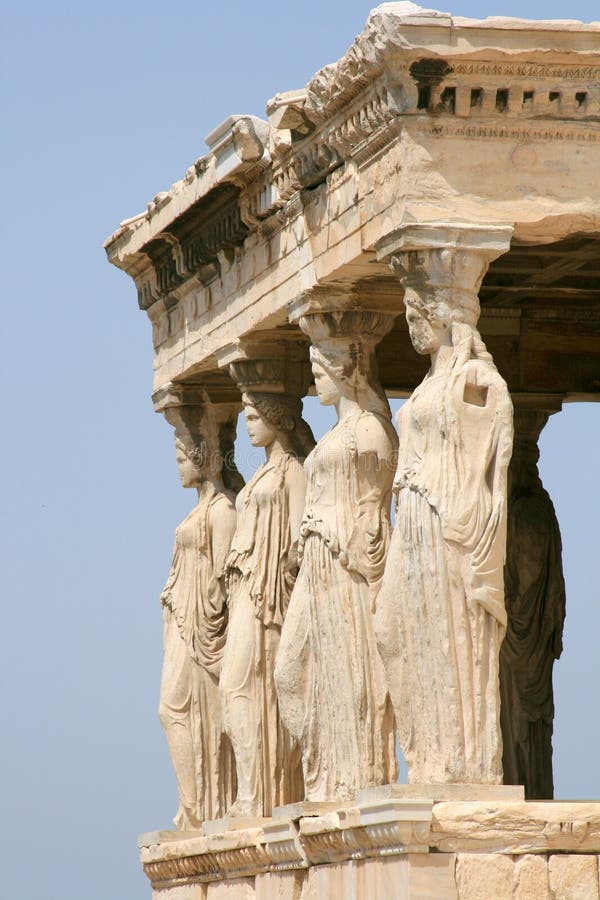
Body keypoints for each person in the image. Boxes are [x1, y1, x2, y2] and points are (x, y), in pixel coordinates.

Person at [375, 292, 513, 784]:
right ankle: (429, 757)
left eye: (419, 314)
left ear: (443, 313)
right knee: (391, 632)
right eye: (410, 315)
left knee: (444, 633)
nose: (412, 325)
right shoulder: (428, 383)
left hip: (443, 518)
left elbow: (494, 438)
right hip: (412, 520)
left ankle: (457, 763)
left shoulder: (472, 378)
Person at [276, 313, 398, 801]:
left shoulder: (370, 430)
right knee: (291, 671)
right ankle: (326, 769)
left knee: (348, 671)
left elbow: (376, 512)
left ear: (347, 369)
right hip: (315, 563)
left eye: (321, 368)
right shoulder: (332, 436)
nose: (314, 379)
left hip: (345, 564)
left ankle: (354, 777)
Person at [221, 390, 314, 816]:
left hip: (268, 595)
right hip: (244, 587)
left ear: (277, 418)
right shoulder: (260, 475)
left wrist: (289, 579)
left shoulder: (292, 472)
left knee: (242, 684)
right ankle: (250, 792)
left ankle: (258, 794)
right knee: (236, 687)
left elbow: (299, 538)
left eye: (256, 415)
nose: (248, 424)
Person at [159, 398, 238, 828]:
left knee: (173, 710)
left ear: (203, 457)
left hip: (202, 632)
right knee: (173, 711)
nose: (178, 465)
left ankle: (200, 806)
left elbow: (223, 581)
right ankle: (194, 806)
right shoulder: (199, 510)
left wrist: (209, 626)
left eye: (182, 455)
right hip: (182, 624)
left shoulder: (223, 510)